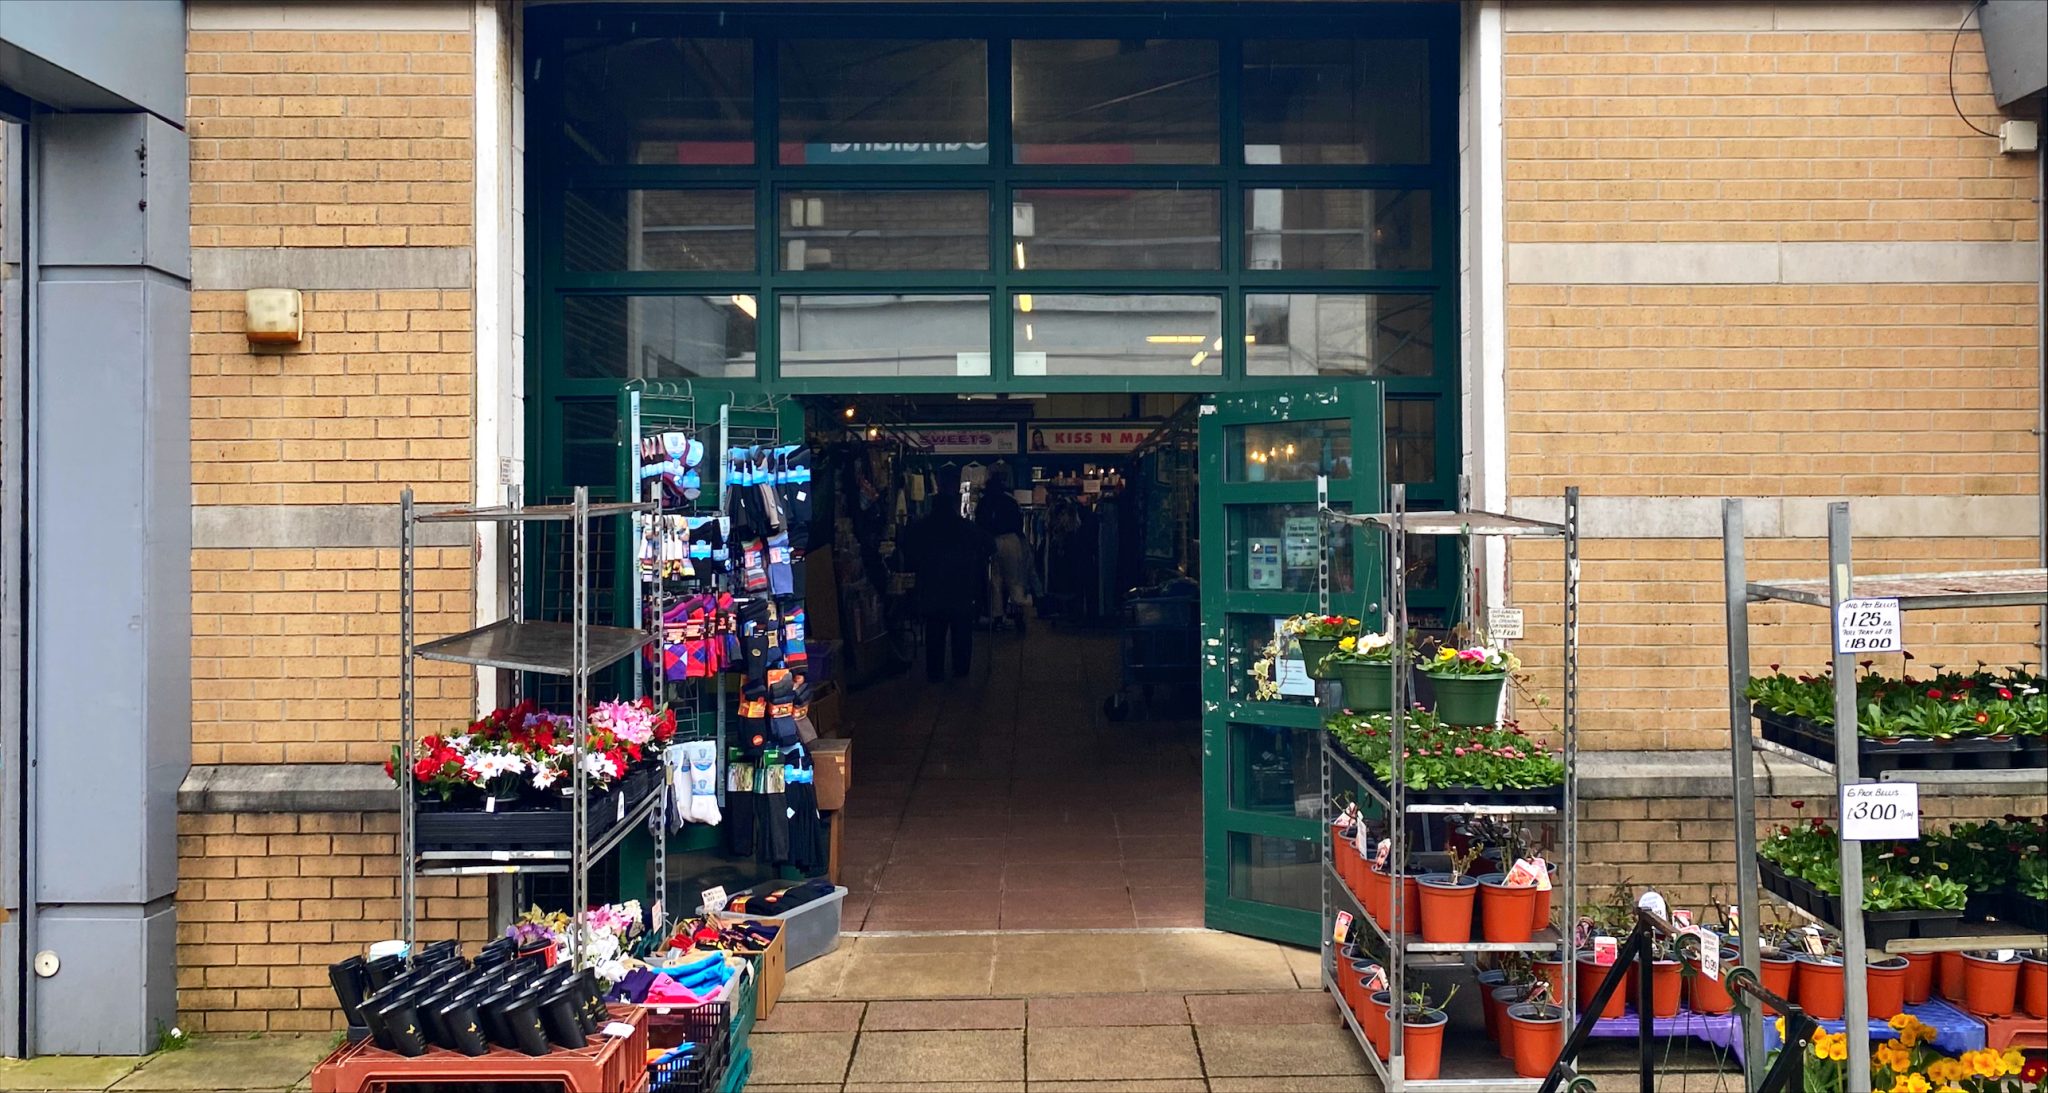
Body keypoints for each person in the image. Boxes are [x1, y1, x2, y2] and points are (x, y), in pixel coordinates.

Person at [897, 465, 994, 682]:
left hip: (933, 586)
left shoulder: (923, 527)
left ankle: (935, 672)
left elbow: (907, 546)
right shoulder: (966, 528)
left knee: (935, 632)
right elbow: (989, 545)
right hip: (961, 586)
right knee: (961, 632)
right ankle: (960, 669)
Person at [976, 468, 1031, 634]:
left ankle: (997, 615)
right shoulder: (1010, 502)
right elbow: (1018, 522)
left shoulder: (984, 502)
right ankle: (1018, 610)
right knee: (1014, 579)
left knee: (995, 580)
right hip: (1011, 540)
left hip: (992, 541)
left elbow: (980, 524)